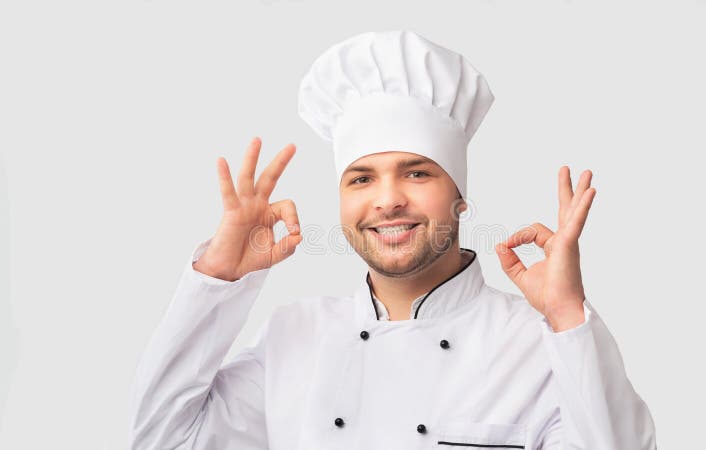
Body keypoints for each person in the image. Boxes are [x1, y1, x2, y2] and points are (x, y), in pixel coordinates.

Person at [128, 30, 657, 450]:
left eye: (417, 173)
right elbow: (162, 441)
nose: (387, 201)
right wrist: (219, 275)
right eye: (361, 179)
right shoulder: (294, 335)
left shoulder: (538, 347)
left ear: (461, 196)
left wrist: (567, 315)